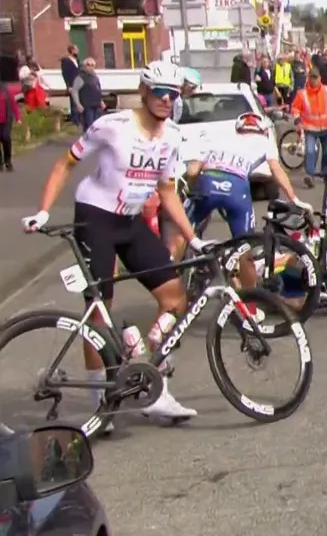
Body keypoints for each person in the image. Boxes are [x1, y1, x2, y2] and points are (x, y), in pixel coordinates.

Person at [21, 61, 208, 426]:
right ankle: (99, 402)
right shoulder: (112, 126)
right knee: (98, 309)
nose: (167, 100)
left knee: (174, 297)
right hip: (96, 217)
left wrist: (194, 238)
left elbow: (167, 192)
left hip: (131, 220)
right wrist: (43, 211)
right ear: (144, 91)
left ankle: (155, 385)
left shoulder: (171, 136)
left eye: (173, 94)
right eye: (159, 93)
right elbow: (65, 164)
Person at [178, 112, 310, 316]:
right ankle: (251, 310)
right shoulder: (264, 141)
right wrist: (294, 198)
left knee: (182, 235)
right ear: (262, 129)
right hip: (236, 189)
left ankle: (173, 301)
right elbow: (276, 171)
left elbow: (193, 171)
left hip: (207, 183)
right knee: (245, 251)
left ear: (239, 129)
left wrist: (189, 189)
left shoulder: (219, 137)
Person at [290, 71, 327, 189]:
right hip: (310, 128)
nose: (314, 80)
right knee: (310, 151)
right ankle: (310, 176)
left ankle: (324, 172)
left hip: (326, 128)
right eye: (312, 78)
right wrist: (298, 121)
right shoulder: (302, 94)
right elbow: (295, 108)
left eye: (316, 78)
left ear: (320, 78)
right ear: (308, 78)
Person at [68, 58, 104, 131]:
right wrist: (78, 104)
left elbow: (98, 90)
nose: (90, 67)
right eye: (88, 65)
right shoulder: (80, 77)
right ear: (84, 66)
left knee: (97, 127)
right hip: (87, 107)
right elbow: (74, 91)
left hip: (96, 105)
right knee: (89, 128)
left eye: (92, 65)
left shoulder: (95, 77)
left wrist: (101, 101)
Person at [0, 81, 19, 172]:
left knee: (5, 137)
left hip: (6, 119)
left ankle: (8, 161)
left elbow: (13, 104)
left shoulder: (6, 90)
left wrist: (18, 117)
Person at [60, 45, 80, 127]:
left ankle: (79, 119)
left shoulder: (77, 60)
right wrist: (68, 86)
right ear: (72, 50)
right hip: (72, 84)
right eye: (76, 49)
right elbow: (65, 74)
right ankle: (75, 120)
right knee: (74, 102)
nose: (78, 51)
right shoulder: (66, 61)